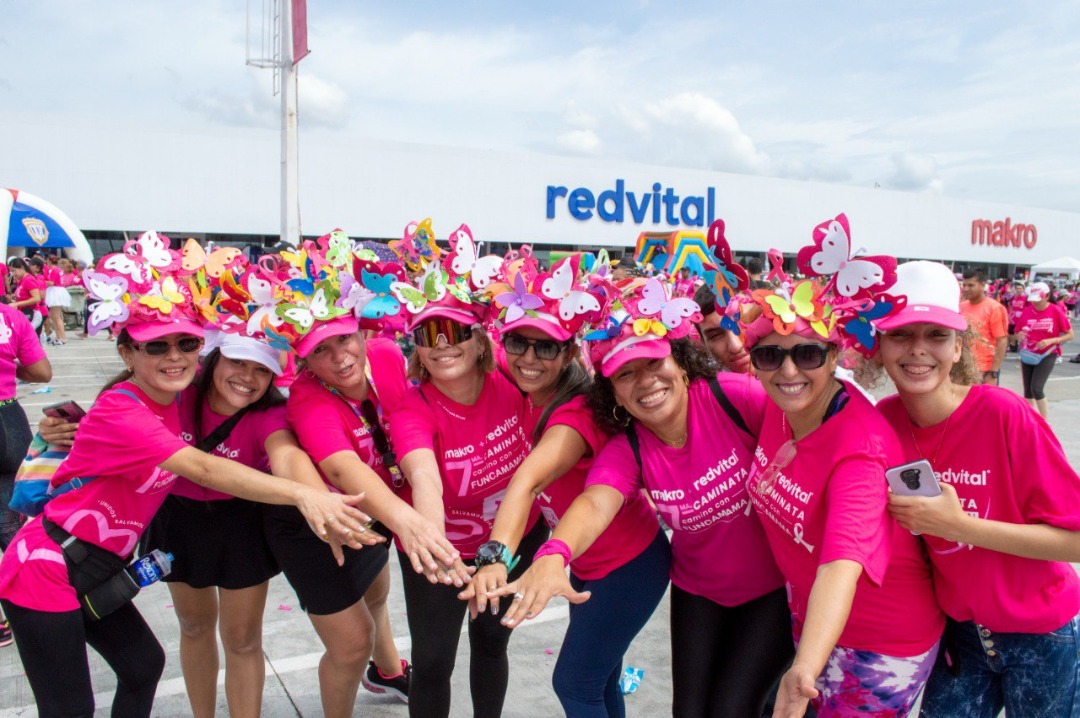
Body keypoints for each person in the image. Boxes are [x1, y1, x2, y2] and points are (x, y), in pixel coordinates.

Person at [0, 256, 372, 718]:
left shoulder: (192, 399)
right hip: (61, 560)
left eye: (186, 343)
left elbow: (285, 452)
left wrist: (315, 493)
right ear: (128, 353)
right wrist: (304, 495)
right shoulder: (145, 403)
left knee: (156, 664)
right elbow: (201, 468)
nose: (173, 356)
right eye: (156, 346)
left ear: (200, 349)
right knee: (86, 697)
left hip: (125, 556)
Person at [499, 272, 795, 718]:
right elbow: (596, 501)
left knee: (733, 709)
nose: (645, 382)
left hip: (771, 591)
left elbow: (809, 431)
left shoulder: (734, 397)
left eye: (654, 364)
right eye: (626, 374)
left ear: (681, 362)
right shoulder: (629, 448)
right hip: (699, 592)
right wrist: (555, 553)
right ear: (613, 393)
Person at [746, 214, 945, 717]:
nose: (788, 371)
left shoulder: (860, 448)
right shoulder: (778, 407)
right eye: (770, 357)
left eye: (807, 354)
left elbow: (841, 564)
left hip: (879, 644)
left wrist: (803, 671)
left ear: (834, 356)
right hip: (815, 623)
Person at [462, 258, 670, 717]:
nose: (529, 359)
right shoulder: (531, 383)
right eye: (518, 343)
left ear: (571, 351)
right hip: (587, 562)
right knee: (601, 679)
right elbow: (479, 349)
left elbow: (528, 481)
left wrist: (495, 557)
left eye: (546, 347)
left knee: (575, 685)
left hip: (628, 566)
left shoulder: (574, 414)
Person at [874, 260, 1080, 718]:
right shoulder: (881, 422)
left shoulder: (1003, 414)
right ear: (878, 345)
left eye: (936, 335)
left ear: (958, 346)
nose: (918, 349)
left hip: (1042, 635)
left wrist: (959, 526)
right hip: (960, 635)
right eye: (901, 334)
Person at [388, 244, 547, 718]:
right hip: (443, 552)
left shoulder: (514, 378)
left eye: (454, 330)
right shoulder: (412, 409)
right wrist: (436, 546)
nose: (441, 344)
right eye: (427, 333)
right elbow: (423, 477)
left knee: (492, 642)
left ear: (480, 340)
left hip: (513, 538)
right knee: (433, 661)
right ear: (416, 347)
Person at [0, 301, 52, 648]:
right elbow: (42, 371)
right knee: (10, 523)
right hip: (8, 420)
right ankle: (39, 602)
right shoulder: (9, 316)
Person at [1015, 281, 1074, 418]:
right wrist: (1019, 335)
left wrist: (1052, 340)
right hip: (1028, 353)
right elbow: (1017, 331)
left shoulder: (1055, 310)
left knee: (1036, 388)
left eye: (1038, 300)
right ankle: (1031, 420)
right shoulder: (1027, 310)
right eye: (1033, 300)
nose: (1035, 303)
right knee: (1028, 391)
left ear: (1047, 296)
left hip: (1048, 353)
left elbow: (1070, 334)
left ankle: (1044, 421)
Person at [959, 269, 1007, 385]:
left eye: (971, 285)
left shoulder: (994, 308)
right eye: (964, 285)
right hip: (962, 367)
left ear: (982, 285)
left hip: (985, 370)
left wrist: (993, 372)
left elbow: (1001, 341)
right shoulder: (960, 307)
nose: (966, 289)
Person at [7, 258, 45, 336]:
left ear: (22, 268)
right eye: (11, 272)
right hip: (25, 313)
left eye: (14, 271)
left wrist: (17, 304)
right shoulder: (22, 280)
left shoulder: (29, 280)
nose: (13, 274)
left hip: (32, 313)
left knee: (27, 337)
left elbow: (37, 298)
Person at [43, 255, 71, 346]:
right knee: (54, 316)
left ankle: (63, 338)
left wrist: (41, 281)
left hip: (55, 292)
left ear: (49, 261)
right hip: (56, 291)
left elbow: (52, 282)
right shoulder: (57, 270)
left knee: (57, 317)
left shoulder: (55, 270)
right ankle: (59, 337)